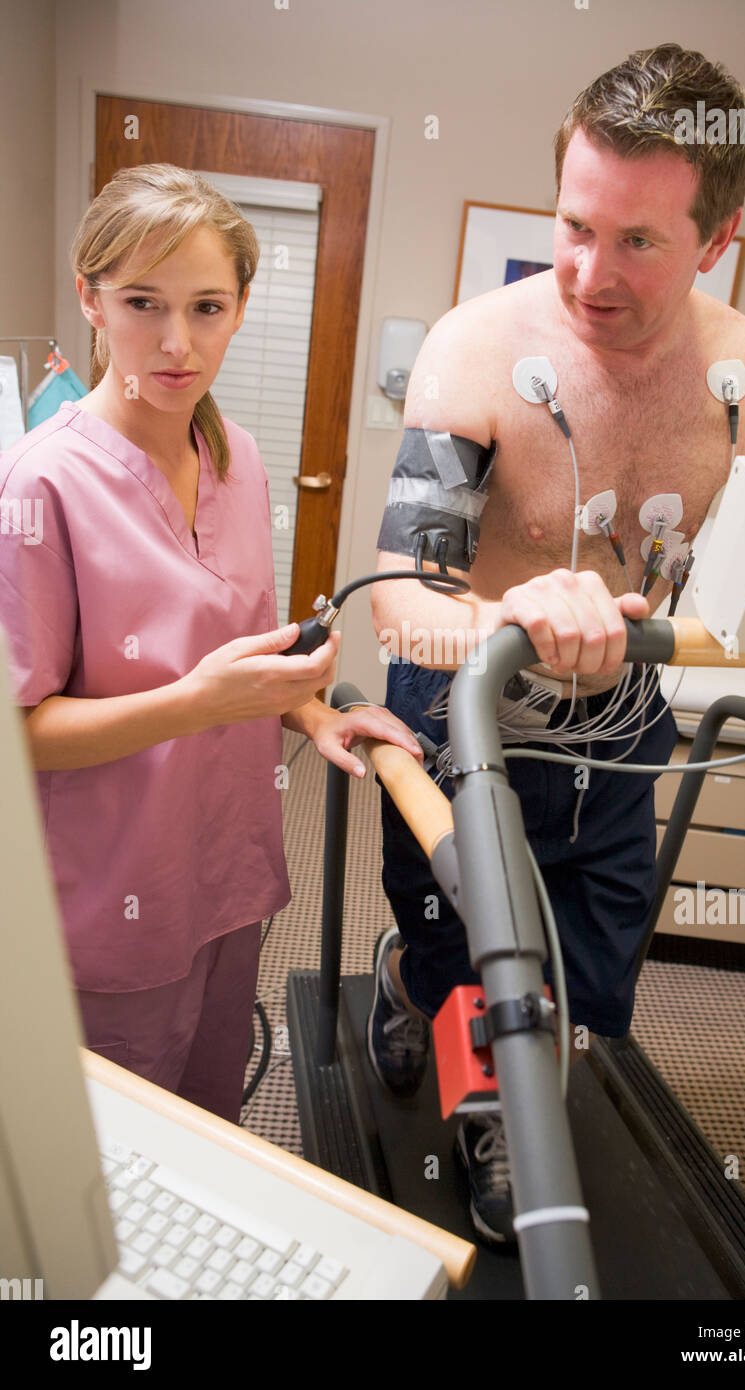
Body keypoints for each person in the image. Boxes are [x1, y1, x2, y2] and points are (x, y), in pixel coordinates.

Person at [367, 43, 745, 1245]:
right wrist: (513, 614)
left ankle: (506, 1061)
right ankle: (440, 1033)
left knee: (593, 986)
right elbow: (401, 603)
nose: (585, 271)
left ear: (714, 239)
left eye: (637, 241)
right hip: (464, 714)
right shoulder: (473, 351)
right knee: (468, 956)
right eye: (572, 224)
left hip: (619, 734)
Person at [0, 164, 422, 1127]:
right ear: (90, 298)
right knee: (123, 1157)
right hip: (113, 890)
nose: (177, 342)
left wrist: (315, 710)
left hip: (224, 864)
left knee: (209, 1109)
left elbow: (248, 648)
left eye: (207, 306)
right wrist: (196, 703)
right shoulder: (37, 487)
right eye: (142, 302)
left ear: (239, 309)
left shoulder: (235, 456)